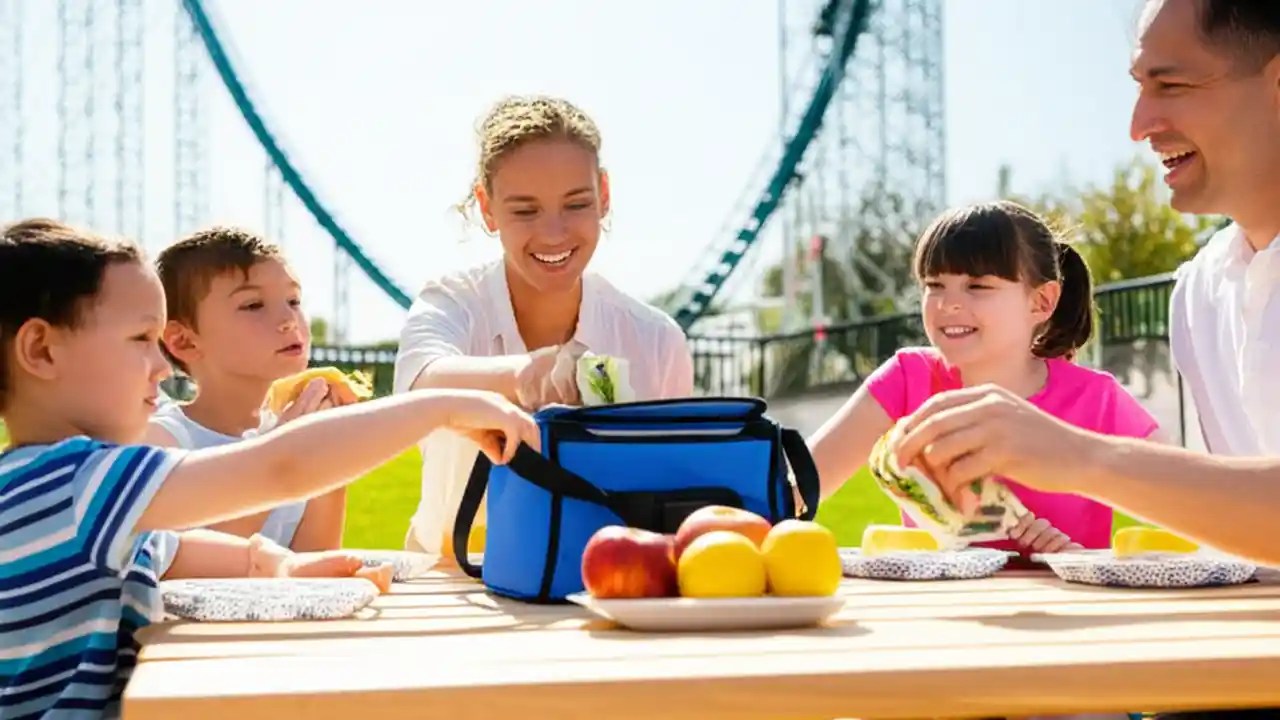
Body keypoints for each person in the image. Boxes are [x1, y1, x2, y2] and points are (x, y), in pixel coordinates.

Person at [0, 218, 539, 718]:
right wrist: (440, 408)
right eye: (141, 339)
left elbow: (172, 551)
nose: (163, 366)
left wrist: (278, 566)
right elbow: (282, 467)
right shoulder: (78, 484)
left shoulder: (51, 487)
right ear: (42, 351)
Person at [393, 95, 694, 556]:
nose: (554, 234)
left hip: (607, 584)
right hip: (452, 581)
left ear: (605, 196)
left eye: (576, 204)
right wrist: (527, 373)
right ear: (487, 208)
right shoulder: (451, 303)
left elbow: (672, 488)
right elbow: (421, 387)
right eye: (525, 211)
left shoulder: (655, 340)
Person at [808, 201, 1161, 556]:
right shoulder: (906, 379)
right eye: (935, 285)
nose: (948, 304)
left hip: (1072, 606)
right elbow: (797, 484)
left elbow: (1191, 498)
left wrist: (1081, 560)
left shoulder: (1097, 399)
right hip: (940, 608)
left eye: (977, 286)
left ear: (1041, 301)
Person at [1130, 0, 1280, 456]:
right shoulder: (1199, 294)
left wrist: (1088, 458)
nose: (1139, 127)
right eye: (1140, 87)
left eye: (1172, 85)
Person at [144, 226, 350, 551]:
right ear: (184, 340)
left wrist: (333, 461)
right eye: (253, 305)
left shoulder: (300, 429)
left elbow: (315, 566)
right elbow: (182, 572)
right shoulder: (165, 442)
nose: (288, 320)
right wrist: (281, 453)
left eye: (293, 300)